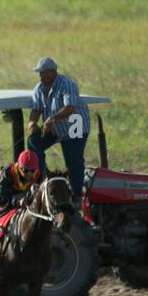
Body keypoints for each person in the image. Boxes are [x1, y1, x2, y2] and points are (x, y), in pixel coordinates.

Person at [26, 56, 89, 203]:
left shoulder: (67, 85)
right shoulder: (39, 88)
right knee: (34, 142)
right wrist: (32, 122)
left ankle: (77, 194)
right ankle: (40, 179)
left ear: (53, 72)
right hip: (54, 127)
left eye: (43, 72)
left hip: (75, 123)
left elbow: (70, 107)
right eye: (39, 73)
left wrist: (52, 119)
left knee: (73, 159)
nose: (40, 76)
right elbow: (36, 109)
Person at [0, 149, 42, 217]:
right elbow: (0, 197)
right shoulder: (9, 172)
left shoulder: (38, 174)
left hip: (20, 191)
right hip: (1, 190)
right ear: (19, 167)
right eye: (25, 170)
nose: (29, 174)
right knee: (0, 204)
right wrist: (16, 202)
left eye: (32, 171)